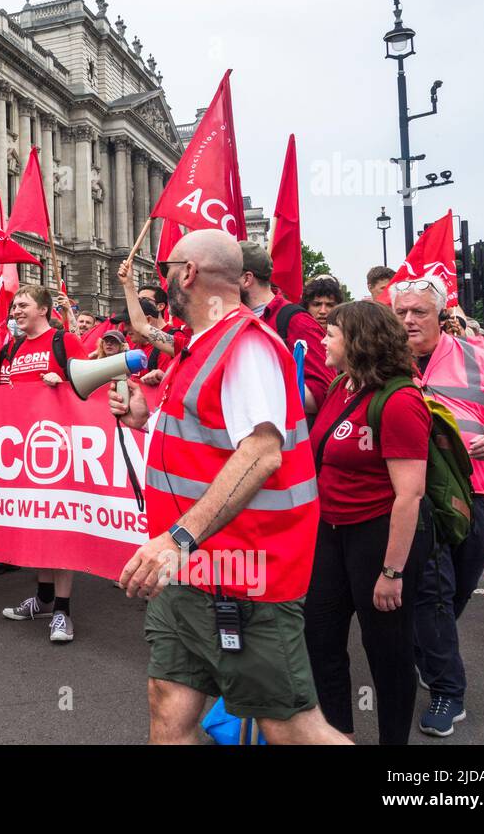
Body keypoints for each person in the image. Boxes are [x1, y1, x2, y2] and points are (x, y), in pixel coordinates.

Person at [110, 230, 348, 745]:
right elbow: (210, 438)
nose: (163, 277)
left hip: (243, 577)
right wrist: (143, 419)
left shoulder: (244, 344)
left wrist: (178, 537)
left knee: (292, 726)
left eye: (167, 267)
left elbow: (261, 454)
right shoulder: (202, 345)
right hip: (192, 573)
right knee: (168, 710)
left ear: (188, 273)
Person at [390, 274, 484, 737]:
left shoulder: (478, 356)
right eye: (400, 312)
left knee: (459, 587)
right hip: (411, 496)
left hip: (473, 493)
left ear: (440, 315)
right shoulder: (382, 360)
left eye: (418, 312)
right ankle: (449, 690)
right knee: (433, 595)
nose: (408, 320)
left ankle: (429, 653)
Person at [304, 302, 432, 744]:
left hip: (380, 537)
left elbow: (409, 495)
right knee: (320, 638)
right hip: (332, 532)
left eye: (331, 333)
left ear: (357, 341)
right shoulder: (342, 386)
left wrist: (392, 572)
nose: (323, 339)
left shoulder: (400, 401)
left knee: (386, 652)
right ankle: (337, 736)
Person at [0, 285, 88, 642]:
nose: (16, 311)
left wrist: (63, 381)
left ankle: (63, 610)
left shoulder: (64, 342)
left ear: (44, 309)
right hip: (22, 453)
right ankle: (44, 598)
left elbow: (89, 388)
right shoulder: (14, 347)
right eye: (15, 306)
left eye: (23, 305)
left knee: (61, 528)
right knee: (38, 525)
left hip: (58, 450)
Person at [239, 241, 335, 416]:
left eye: (227, 276)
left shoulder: (296, 321)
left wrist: (254, 378)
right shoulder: (237, 320)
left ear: (246, 279)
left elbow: (323, 394)